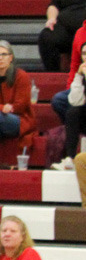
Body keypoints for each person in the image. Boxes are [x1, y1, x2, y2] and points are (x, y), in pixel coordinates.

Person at [51, 41, 86, 171]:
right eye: (83, 53)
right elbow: (75, 101)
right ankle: (70, 159)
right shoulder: (82, 74)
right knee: (73, 112)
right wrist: (78, 76)